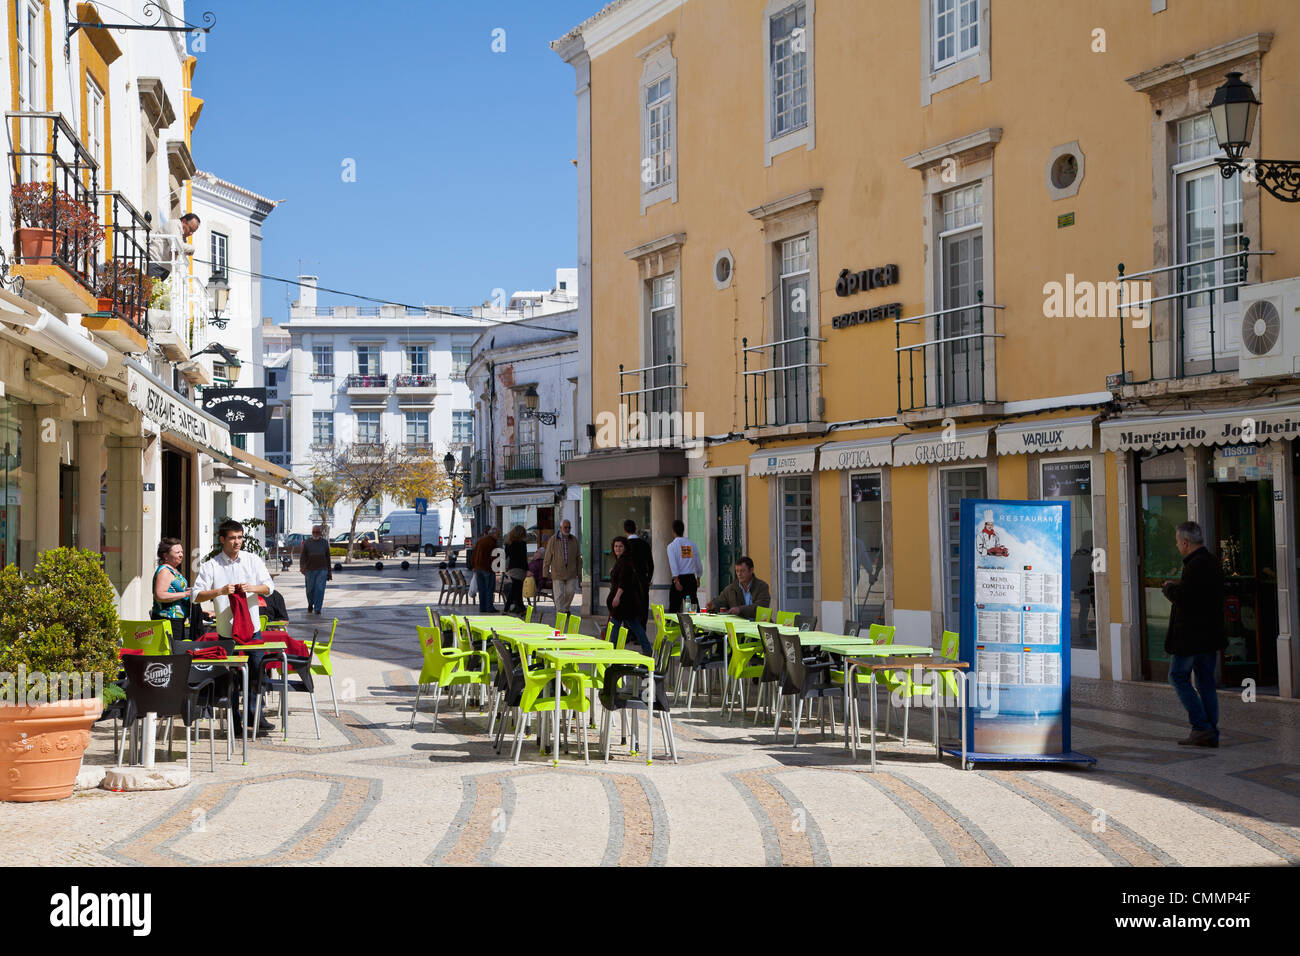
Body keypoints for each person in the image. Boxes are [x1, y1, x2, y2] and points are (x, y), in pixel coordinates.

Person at [192, 519, 276, 735]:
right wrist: (219, 592)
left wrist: (253, 588)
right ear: (222, 540)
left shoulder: (252, 560)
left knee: (257, 673)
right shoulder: (211, 565)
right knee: (230, 677)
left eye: (240, 537)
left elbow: (269, 587)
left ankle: (255, 715)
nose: (237, 542)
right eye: (232, 538)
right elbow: (195, 596)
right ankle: (234, 720)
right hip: (226, 632)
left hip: (253, 629)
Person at [1162, 521, 1226, 748]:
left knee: (1178, 677)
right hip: (1209, 635)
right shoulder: (1211, 561)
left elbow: (1187, 599)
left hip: (1191, 637)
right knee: (1205, 681)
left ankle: (1201, 727)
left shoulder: (1195, 565)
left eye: (1178, 542)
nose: (1178, 545)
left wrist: (1169, 588)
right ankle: (1210, 731)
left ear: (1186, 542)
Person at [607, 536, 651, 656]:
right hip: (625, 601)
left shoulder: (625, 562)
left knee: (618, 625)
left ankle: (612, 649)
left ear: (625, 548)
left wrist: (617, 597)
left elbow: (624, 581)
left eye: (620, 546)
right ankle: (647, 649)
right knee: (633, 625)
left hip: (624, 601)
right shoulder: (621, 561)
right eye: (616, 546)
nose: (618, 549)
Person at [707, 556, 771, 620]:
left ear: (751, 570)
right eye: (737, 571)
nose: (739, 574)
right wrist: (713, 604)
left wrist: (740, 609)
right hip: (739, 627)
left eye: (742, 571)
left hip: (758, 625)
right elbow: (721, 600)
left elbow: (761, 607)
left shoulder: (762, 587)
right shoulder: (731, 589)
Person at [151, 538, 191, 639]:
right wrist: (185, 594)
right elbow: (160, 595)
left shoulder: (173, 570)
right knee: (171, 653)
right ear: (165, 555)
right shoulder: (165, 571)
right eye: (177, 552)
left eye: (181, 552)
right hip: (168, 620)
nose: (181, 555)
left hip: (177, 620)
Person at [543, 519, 582, 617]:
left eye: (569, 527)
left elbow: (578, 557)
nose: (568, 529)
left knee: (571, 592)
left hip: (571, 572)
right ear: (560, 528)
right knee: (559, 594)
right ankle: (560, 613)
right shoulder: (553, 540)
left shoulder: (574, 540)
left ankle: (565, 609)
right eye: (565, 527)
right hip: (557, 572)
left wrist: (579, 571)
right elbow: (547, 557)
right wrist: (545, 573)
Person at [147, 212, 200, 278]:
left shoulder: (181, 234)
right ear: (184, 221)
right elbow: (178, 245)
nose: (191, 233)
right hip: (155, 262)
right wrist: (192, 248)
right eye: (190, 229)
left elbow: (176, 250)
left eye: (193, 232)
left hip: (163, 267)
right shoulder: (174, 224)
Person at [665, 519, 702, 613]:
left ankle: (672, 625)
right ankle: (696, 625)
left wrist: (676, 580)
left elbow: (673, 564)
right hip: (691, 578)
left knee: (674, 606)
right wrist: (698, 577)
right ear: (683, 530)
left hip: (679, 579)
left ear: (673, 531)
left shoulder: (671, 546)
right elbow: (698, 562)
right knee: (692, 606)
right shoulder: (692, 544)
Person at [623, 519, 654, 626]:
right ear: (636, 528)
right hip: (642, 580)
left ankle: (629, 632)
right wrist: (648, 579)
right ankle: (640, 633)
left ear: (624, 530)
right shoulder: (644, 544)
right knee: (642, 606)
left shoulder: (624, 546)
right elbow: (651, 564)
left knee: (628, 606)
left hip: (627, 581)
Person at [300, 525, 333, 615]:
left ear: (320, 533)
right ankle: (310, 603)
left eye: (317, 532)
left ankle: (318, 608)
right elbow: (302, 557)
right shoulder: (307, 543)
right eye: (314, 532)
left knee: (320, 589)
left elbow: (328, 558)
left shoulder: (324, 543)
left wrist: (329, 572)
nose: (315, 534)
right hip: (310, 570)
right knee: (310, 590)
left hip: (322, 570)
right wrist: (302, 568)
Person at [470, 527, 500, 613]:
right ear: (493, 534)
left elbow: (474, 554)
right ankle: (489, 608)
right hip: (488, 568)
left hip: (478, 568)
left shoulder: (480, 541)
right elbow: (494, 557)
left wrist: (474, 565)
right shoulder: (491, 543)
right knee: (489, 589)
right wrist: (497, 567)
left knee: (482, 589)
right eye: (498, 535)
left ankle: (482, 608)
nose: (498, 537)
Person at [503, 525, 529, 614]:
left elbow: (506, 556)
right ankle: (507, 609)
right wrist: (527, 569)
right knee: (515, 589)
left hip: (512, 568)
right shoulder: (522, 543)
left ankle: (520, 608)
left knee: (516, 589)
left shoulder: (508, 543)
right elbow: (524, 558)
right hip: (521, 569)